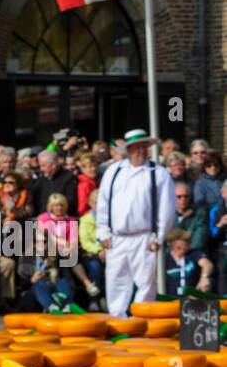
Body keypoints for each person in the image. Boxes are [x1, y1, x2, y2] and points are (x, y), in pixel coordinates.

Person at [95, 128, 177, 318]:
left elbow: (166, 207)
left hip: (144, 236)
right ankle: (117, 319)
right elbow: (103, 203)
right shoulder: (114, 171)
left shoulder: (158, 173)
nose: (142, 151)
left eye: (144, 147)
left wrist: (159, 236)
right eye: (137, 147)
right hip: (117, 237)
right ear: (129, 150)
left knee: (146, 282)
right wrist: (103, 232)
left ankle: (142, 319)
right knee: (116, 280)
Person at [30, 193, 79, 310]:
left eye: (61, 205)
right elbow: (42, 236)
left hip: (63, 254)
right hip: (47, 254)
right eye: (56, 205)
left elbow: (73, 242)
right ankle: (51, 307)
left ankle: (68, 304)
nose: (59, 208)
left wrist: (62, 245)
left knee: (62, 279)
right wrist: (59, 242)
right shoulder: (43, 218)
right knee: (41, 284)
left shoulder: (70, 221)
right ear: (51, 206)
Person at [163, 227, 214, 295]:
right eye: (179, 247)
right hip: (171, 299)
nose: (184, 248)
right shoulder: (165, 259)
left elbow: (207, 264)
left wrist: (204, 277)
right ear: (173, 244)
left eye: (187, 243)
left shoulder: (193, 254)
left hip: (192, 297)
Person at [78, 189, 106, 309]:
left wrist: (107, 250)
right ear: (91, 204)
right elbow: (85, 242)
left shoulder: (111, 219)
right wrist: (99, 250)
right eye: (96, 203)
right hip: (91, 254)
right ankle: (94, 298)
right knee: (95, 267)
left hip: (109, 252)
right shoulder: (85, 220)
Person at [172, 181, 209, 258]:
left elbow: (199, 238)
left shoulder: (199, 213)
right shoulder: (167, 214)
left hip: (192, 252)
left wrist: (184, 250)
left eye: (186, 196)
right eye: (179, 196)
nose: (183, 199)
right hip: (171, 254)